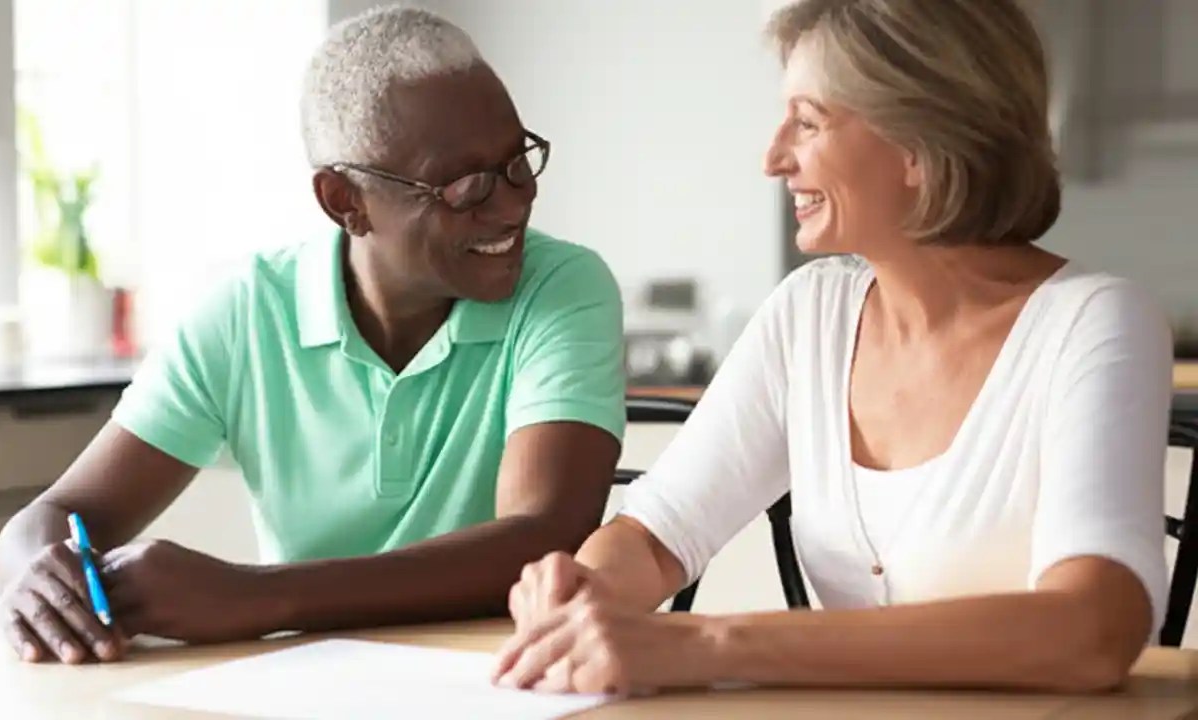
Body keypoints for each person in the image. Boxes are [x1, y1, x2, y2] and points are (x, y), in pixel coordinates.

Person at [494, 0, 1172, 696]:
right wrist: (583, 593)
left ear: (919, 144)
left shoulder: (1093, 323)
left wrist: (708, 644)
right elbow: (655, 533)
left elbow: (1093, 630)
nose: (773, 157)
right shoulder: (809, 313)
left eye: (808, 122)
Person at [0, 6, 627, 664]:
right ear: (343, 202)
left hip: (501, 676)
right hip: (306, 686)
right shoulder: (245, 313)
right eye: (466, 187)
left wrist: (257, 597)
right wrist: (37, 577)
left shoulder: (560, 286)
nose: (514, 203)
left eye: (518, 161)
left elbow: (542, 537)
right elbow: (57, 515)